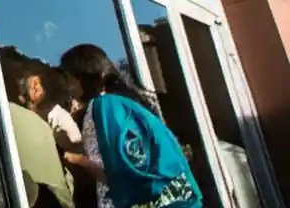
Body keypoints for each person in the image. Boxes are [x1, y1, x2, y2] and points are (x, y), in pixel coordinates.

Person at [60, 45, 200, 208]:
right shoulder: (130, 103)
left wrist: (73, 158)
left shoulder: (101, 108)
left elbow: (111, 173)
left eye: (68, 78)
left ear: (82, 77)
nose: (68, 86)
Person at [0, 50, 75, 208]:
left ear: (35, 86)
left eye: (15, 85)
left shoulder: (58, 120)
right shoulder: (13, 121)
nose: (15, 98)